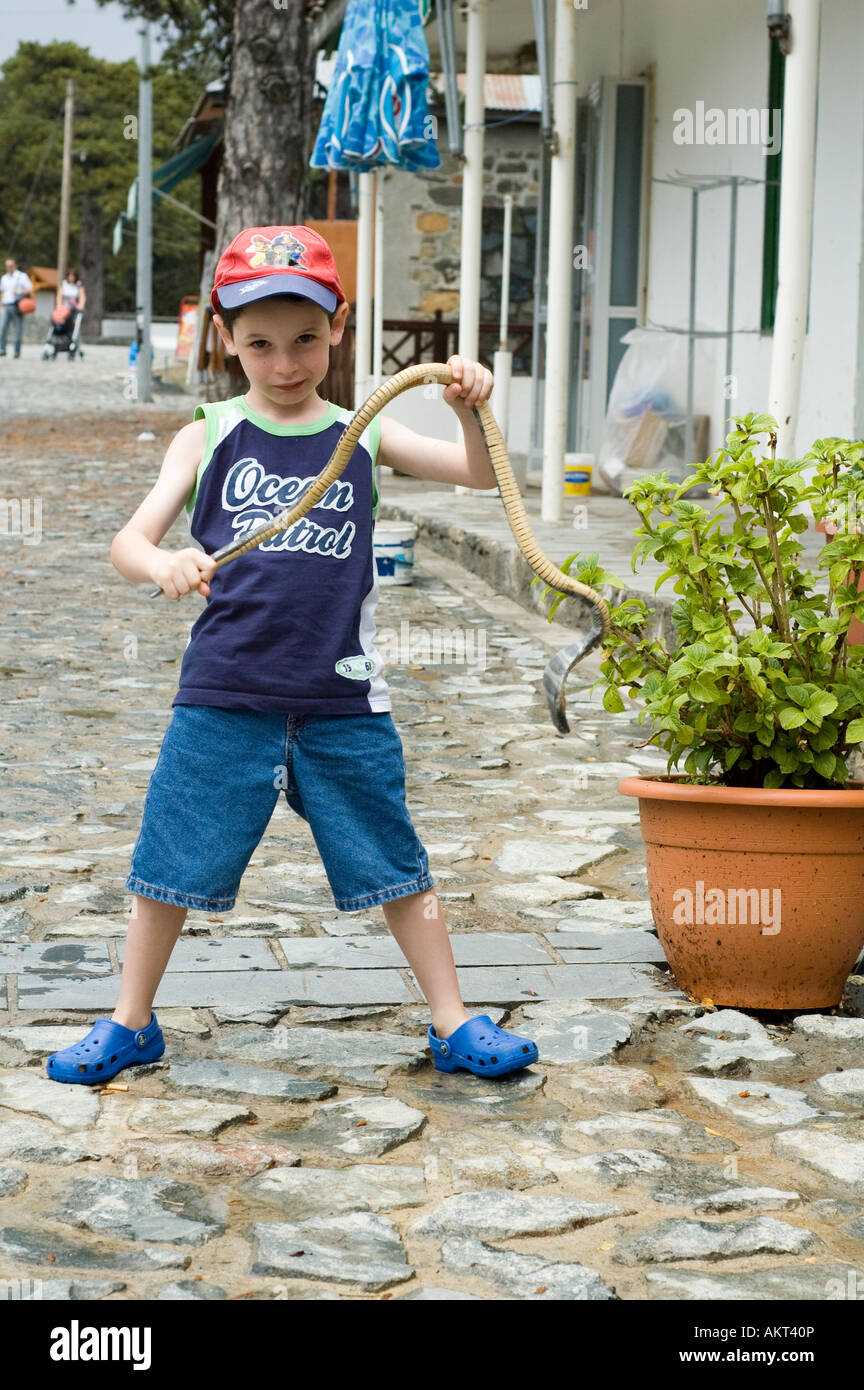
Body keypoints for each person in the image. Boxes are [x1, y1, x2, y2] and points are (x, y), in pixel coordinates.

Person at [45, 223, 539, 1087]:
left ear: (338, 328)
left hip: (342, 696)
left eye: (305, 338)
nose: (285, 363)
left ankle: (453, 1020)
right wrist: (163, 563)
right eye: (261, 343)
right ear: (227, 339)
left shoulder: (363, 434)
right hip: (222, 693)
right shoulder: (208, 435)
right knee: (168, 860)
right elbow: (129, 538)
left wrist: (470, 405)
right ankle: (131, 1020)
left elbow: (477, 474)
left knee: (395, 860)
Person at [0, 257, 33, 358]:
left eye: (10, 266)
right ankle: (2, 349)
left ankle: (17, 351)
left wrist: (19, 292)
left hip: (17, 306)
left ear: (14, 265)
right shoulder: (4, 278)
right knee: (2, 328)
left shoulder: (21, 276)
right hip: (6, 305)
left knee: (17, 329)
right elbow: (2, 292)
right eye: (7, 266)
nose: (9, 268)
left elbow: (30, 288)